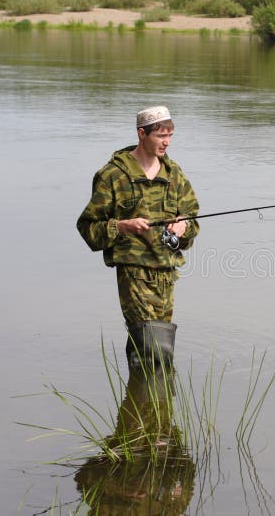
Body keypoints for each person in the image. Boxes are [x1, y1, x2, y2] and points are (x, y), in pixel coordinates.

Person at [77, 106, 199, 366]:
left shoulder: (174, 174)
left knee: (156, 348)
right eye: (160, 136)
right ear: (141, 134)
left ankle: (148, 402)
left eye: (170, 136)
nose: (166, 142)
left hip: (166, 274)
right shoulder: (113, 175)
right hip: (133, 273)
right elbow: (87, 228)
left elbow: (193, 220)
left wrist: (183, 226)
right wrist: (122, 226)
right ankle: (146, 399)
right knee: (151, 348)